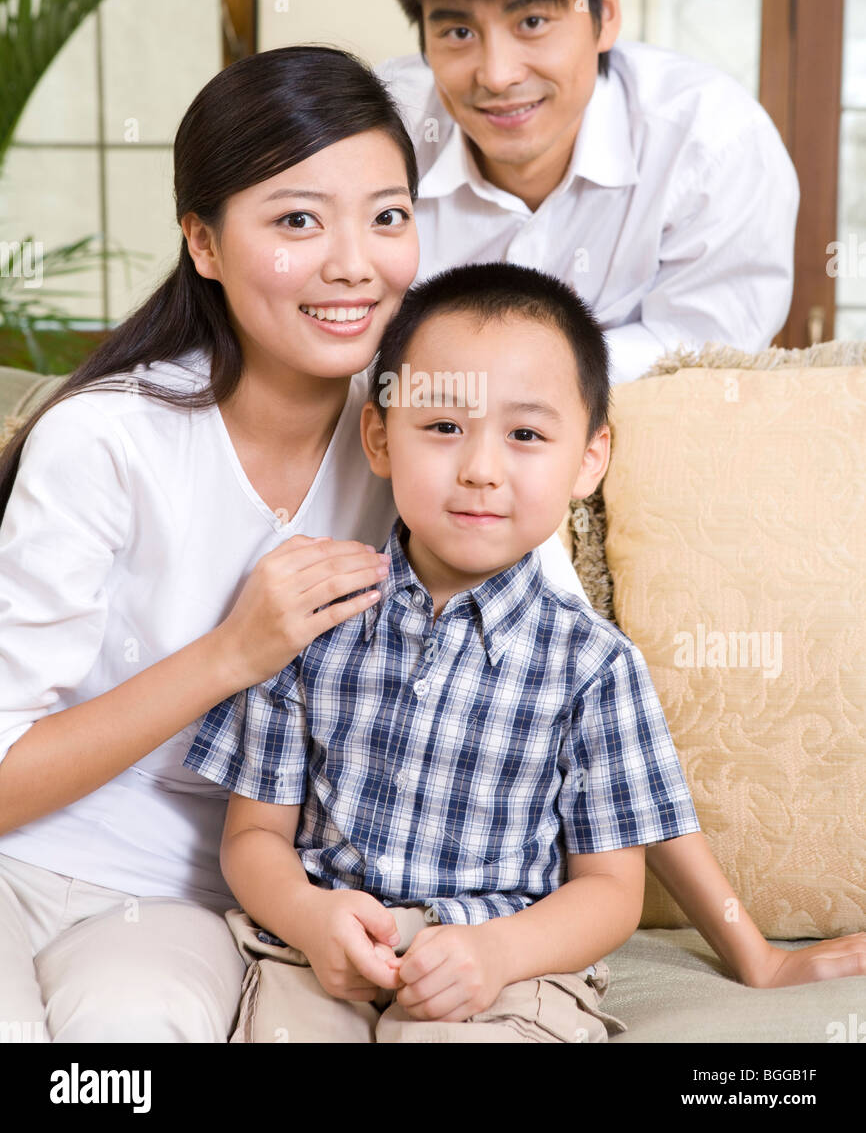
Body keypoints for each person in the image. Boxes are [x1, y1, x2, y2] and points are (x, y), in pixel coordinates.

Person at [0, 45, 566, 1043]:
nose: (354, 262)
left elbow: (577, 674)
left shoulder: (427, 440)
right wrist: (231, 653)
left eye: (386, 216)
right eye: (297, 219)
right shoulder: (104, 440)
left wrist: (741, 937)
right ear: (204, 243)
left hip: (178, 903)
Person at [185, 262, 866, 1046]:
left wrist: (497, 951)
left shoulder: (591, 665)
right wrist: (309, 915)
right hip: (319, 958)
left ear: (588, 458)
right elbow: (253, 837)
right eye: (443, 428)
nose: (480, 469)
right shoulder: (312, 622)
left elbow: (612, 888)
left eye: (526, 435)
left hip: (510, 972)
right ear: (379, 435)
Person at [377, 0, 800, 387]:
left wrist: (495, 372)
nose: (497, 74)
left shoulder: (714, 146)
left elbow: (702, 357)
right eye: (459, 32)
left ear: (606, 13)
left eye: (532, 22)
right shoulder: (377, 130)